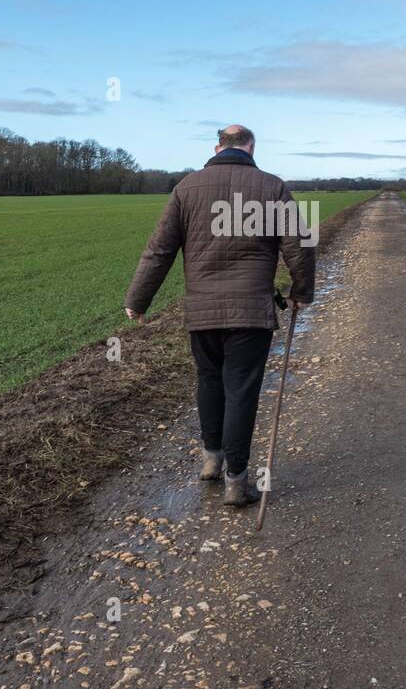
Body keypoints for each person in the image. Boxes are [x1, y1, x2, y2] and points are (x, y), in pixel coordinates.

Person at [125, 125, 315, 507]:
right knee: (241, 390)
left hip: (202, 310)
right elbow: (299, 246)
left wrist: (138, 300)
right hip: (250, 312)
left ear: (216, 148)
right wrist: (301, 292)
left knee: (209, 381)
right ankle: (236, 481)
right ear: (251, 147)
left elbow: (159, 250)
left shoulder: (187, 188)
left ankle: (212, 460)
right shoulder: (272, 187)